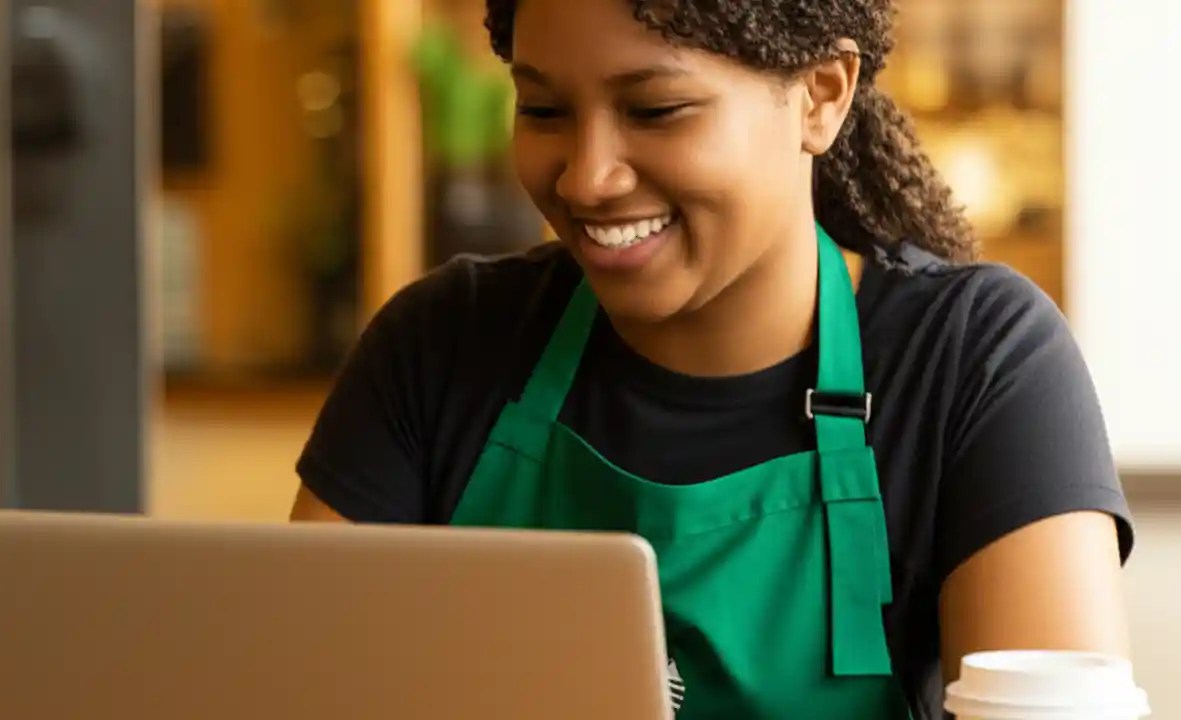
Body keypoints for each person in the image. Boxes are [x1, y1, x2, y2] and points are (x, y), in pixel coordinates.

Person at [290, 1, 1135, 718]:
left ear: (822, 94)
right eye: (544, 110)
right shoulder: (438, 346)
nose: (586, 178)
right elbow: (297, 684)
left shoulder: (974, 362)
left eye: (655, 110)